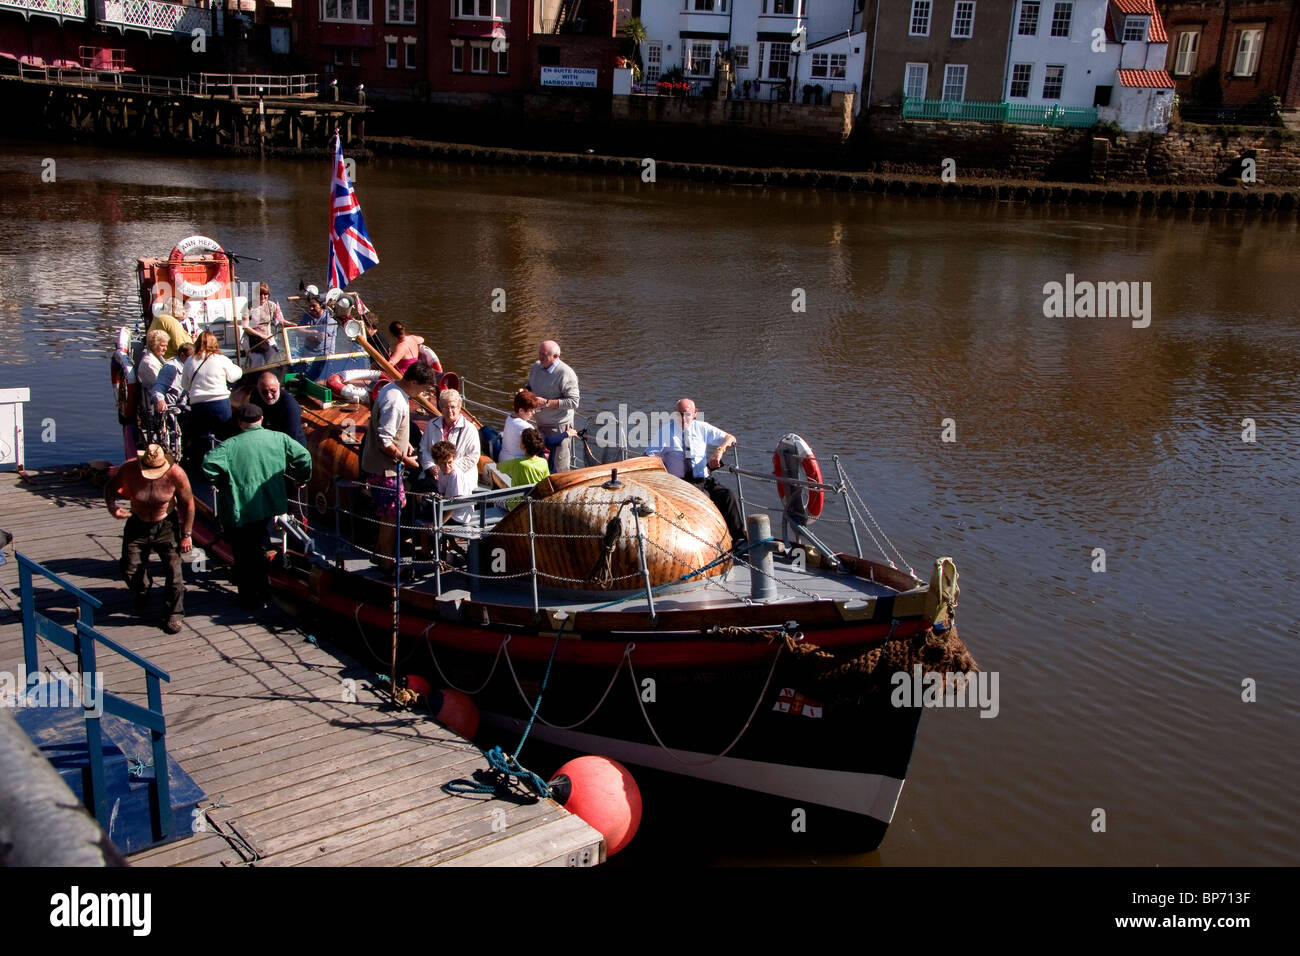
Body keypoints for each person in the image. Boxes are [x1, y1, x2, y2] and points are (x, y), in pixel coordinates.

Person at [201, 403, 312, 608]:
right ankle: (264, 590)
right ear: (260, 420)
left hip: (240, 507)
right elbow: (304, 456)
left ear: (240, 423)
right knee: (258, 547)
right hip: (269, 504)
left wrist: (221, 482)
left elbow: (208, 464)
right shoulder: (279, 438)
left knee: (243, 553)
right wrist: (301, 477)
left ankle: (249, 597)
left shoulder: (229, 445)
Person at [103, 443, 195, 634]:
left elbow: (189, 504)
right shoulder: (129, 468)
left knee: (174, 573)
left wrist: (186, 535)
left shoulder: (176, 474)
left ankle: (174, 614)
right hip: (138, 522)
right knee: (129, 568)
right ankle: (142, 587)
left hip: (166, 525)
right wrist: (112, 507)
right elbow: (111, 488)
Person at [360, 361, 438, 574]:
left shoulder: (391, 388)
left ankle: (378, 553)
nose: (421, 393)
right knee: (391, 516)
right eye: (422, 388)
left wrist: (406, 443)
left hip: (383, 466)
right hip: (386, 470)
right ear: (413, 382)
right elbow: (385, 441)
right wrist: (405, 459)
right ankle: (387, 565)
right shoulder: (396, 402)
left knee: (391, 513)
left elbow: (390, 433)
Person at [646, 398, 745, 545]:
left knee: (728, 496)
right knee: (703, 499)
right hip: (681, 484)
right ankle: (710, 543)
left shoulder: (702, 428)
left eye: (686, 414)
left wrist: (719, 451)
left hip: (704, 479)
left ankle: (740, 539)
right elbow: (649, 457)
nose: (683, 418)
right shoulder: (665, 433)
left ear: (695, 413)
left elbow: (730, 438)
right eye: (679, 414)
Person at [181, 331, 242, 464]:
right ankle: (225, 465)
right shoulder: (221, 359)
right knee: (225, 435)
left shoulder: (190, 361)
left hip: (198, 404)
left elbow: (185, 385)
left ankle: (205, 467)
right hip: (219, 402)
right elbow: (234, 376)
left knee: (202, 437)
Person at [526, 340, 580, 472]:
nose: (540, 357)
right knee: (541, 466)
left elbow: (574, 402)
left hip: (559, 427)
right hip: (540, 425)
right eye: (539, 353)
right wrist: (525, 392)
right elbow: (529, 385)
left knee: (559, 468)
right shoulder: (536, 367)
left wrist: (547, 402)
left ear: (555, 356)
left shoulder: (566, 373)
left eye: (544, 355)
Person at [418, 388, 480, 492]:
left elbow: (473, 456)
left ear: (459, 407)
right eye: (446, 407)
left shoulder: (469, 429)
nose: (450, 411)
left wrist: (447, 468)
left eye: (453, 407)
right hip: (434, 476)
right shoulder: (432, 425)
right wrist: (431, 467)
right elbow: (423, 449)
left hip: (461, 477)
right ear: (441, 408)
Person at [250, 371, 305, 446]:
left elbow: (292, 441)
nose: (269, 396)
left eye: (273, 391)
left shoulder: (290, 407)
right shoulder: (255, 397)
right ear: (258, 389)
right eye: (264, 392)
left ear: (278, 386)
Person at [242, 282, 284, 366]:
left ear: (268, 295)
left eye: (265, 294)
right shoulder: (247, 306)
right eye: (260, 294)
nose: (262, 296)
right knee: (258, 359)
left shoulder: (272, 305)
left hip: (267, 337)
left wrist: (293, 325)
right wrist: (261, 336)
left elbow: (280, 320)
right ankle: (255, 376)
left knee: (273, 358)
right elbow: (245, 326)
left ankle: (272, 376)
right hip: (251, 339)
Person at [500, 389, 546, 462]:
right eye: (530, 410)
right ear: (521, 410)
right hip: (516, 463)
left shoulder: (509, 417)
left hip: (503, 458)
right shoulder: (527, 427)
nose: (533, 413)